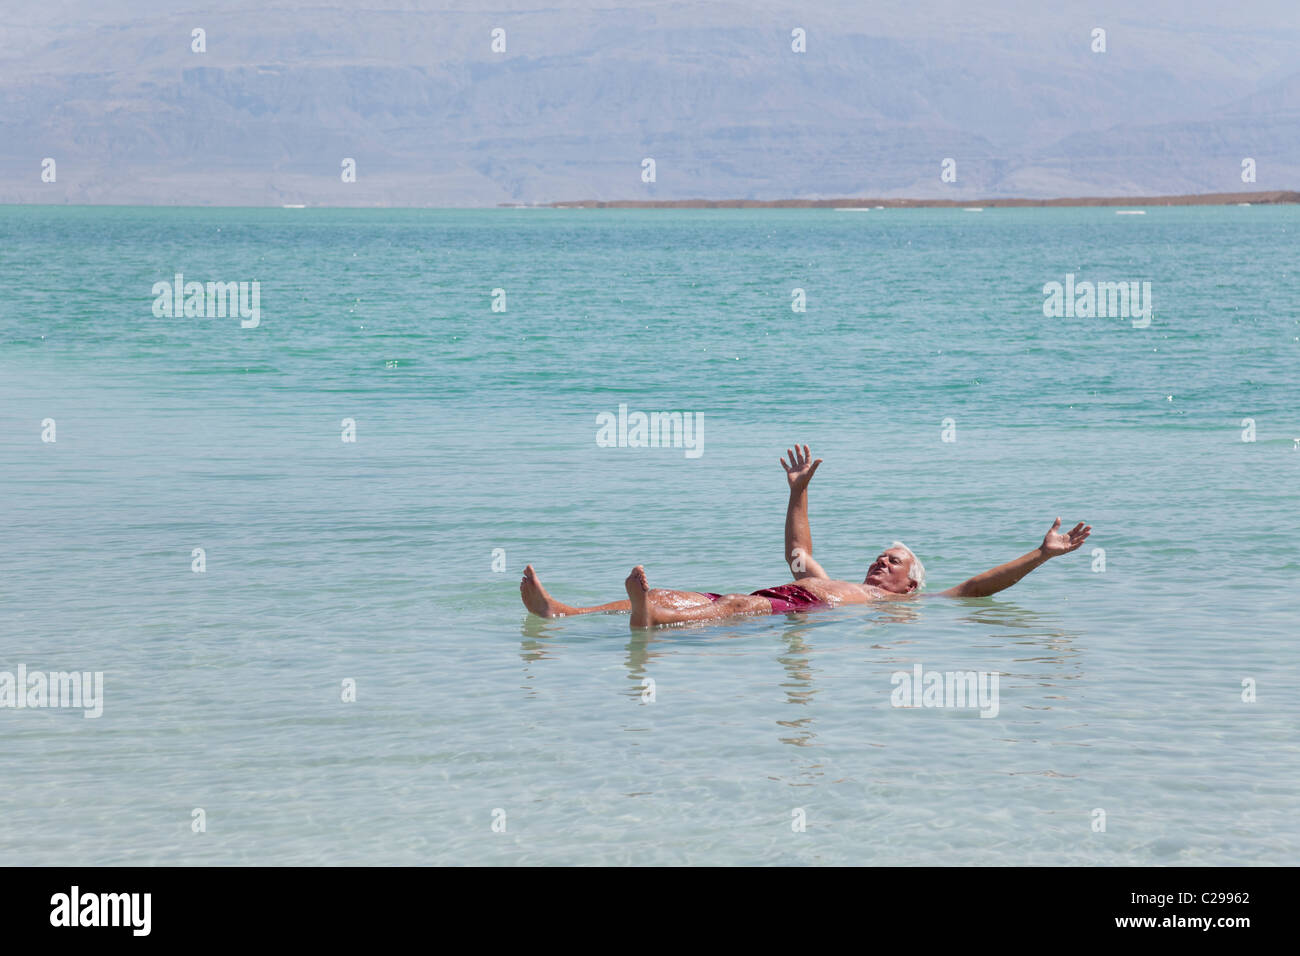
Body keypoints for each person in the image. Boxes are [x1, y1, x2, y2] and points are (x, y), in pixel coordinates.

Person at [520, 443, 1091, 628]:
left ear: (911, 583)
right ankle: (566, 612)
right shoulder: (837, 582)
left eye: (892, 561)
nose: (879, 563)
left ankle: (652, 619)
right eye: (879, 556)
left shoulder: (902, 607)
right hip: (771, 598)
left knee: (723, 606)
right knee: (675, 592)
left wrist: (1040, 555)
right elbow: (798, 555)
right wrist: (798, 491)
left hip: (773, 612)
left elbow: (975, 588)